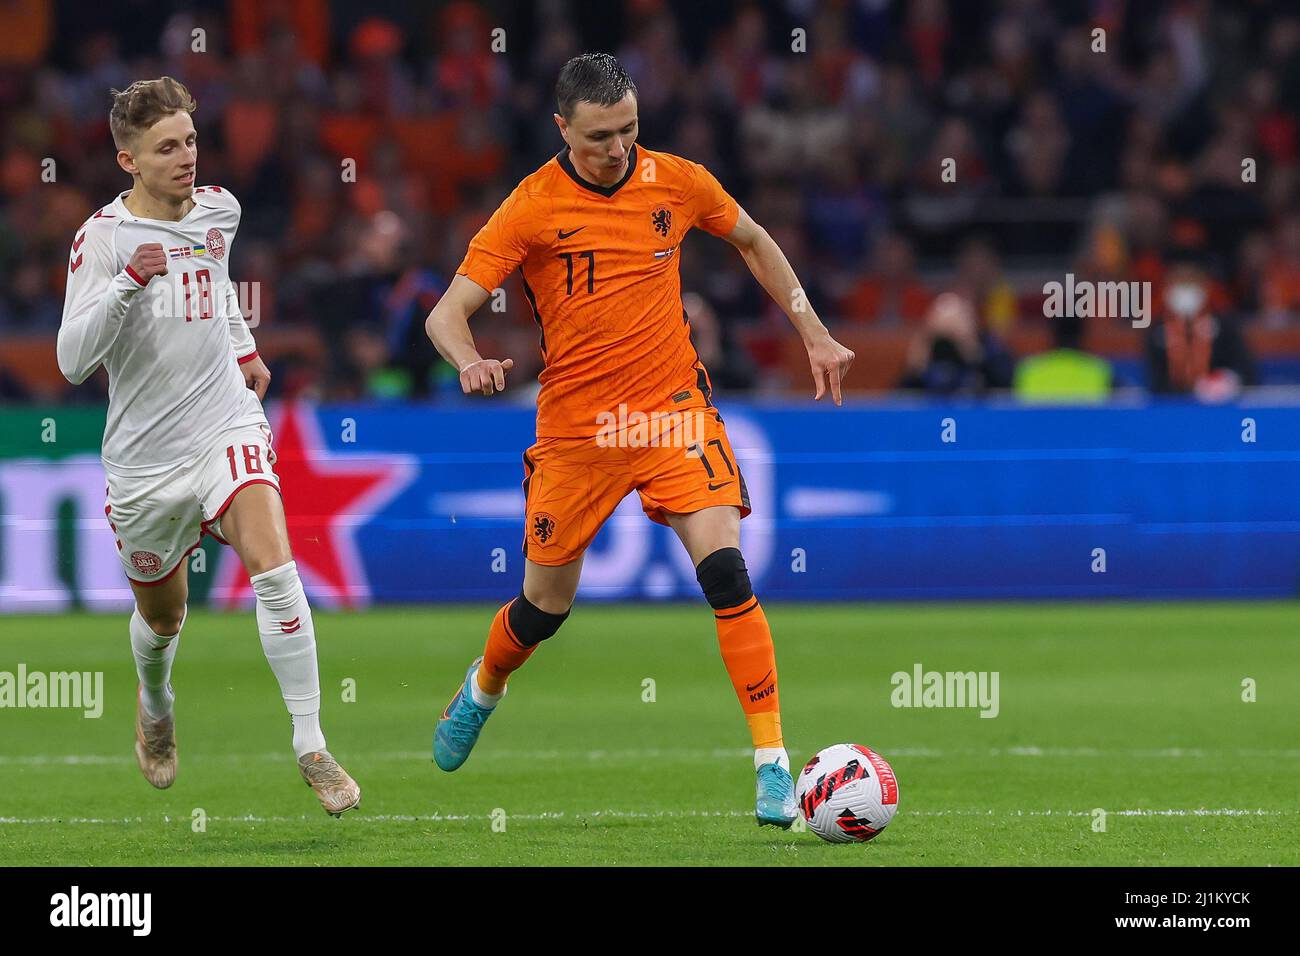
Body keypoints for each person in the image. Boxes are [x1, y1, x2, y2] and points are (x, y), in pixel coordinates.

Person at [424, 53, 855, 828]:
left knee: (725, 569)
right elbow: (444, 314)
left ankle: (772, 766)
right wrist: (469, 360)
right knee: (543, 608)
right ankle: (484, 686)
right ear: (562, 128)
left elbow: (754, 241)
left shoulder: (678, 181)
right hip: (577, 431)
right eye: (598, 138)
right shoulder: (530, 208)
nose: (618, 149)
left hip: (671, 414)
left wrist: (815, 334)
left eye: (628, 130)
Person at [56, 76, 359, 816]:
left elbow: (217, 285)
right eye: (166, 147)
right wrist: (127, 282)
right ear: (127, 158)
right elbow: (71, 360)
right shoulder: (103, 240)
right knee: (163, 618)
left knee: (274, 565)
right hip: (144, 459)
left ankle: (311, 743)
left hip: (223, 424)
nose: (185, 156)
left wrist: (243, 345)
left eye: (190, 139)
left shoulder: (220, 211)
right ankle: (156, 702)